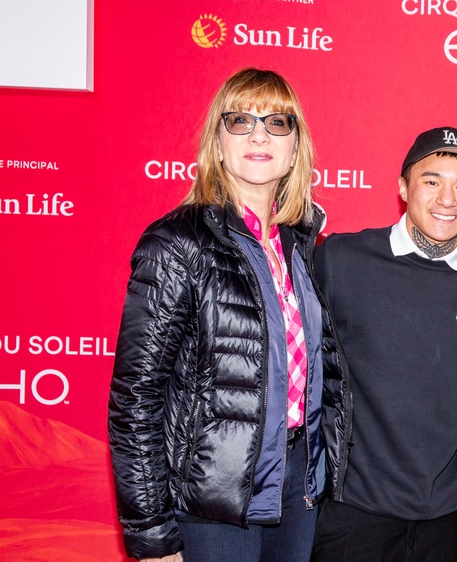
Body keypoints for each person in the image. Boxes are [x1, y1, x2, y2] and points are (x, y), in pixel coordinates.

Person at [108, 68, 350, 562]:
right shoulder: (176, 243)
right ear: (217, 145)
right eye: (240, 120)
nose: (259, 135)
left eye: (277, 122)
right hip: (211, 498)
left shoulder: (301, 243)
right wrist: (151, 532)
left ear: (294, 149)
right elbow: (136, 399)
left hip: (297, 487)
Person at [310, 127, 457, 562]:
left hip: (447, 520)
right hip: (352, 514)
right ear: (403, 187)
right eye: (431, 181)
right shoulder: (340, 259)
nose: (446, 199)